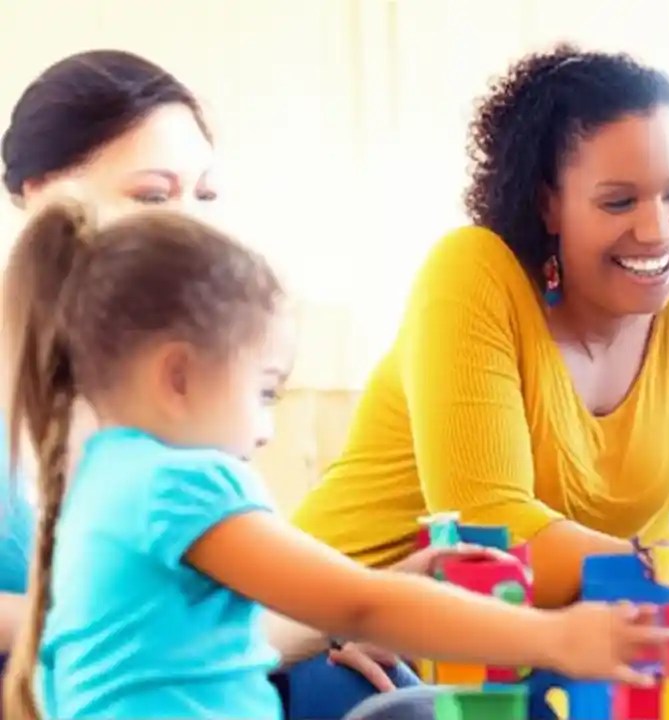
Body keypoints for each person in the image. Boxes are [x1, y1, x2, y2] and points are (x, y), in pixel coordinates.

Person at [290, 43, 669, 718]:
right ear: (547, 205)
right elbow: (491, 527)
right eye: (619, 200)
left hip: (562, 635)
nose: (658, 229)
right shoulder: (472, 273)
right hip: (378, 624)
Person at [0, 200, 669, 719]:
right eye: (263, 391)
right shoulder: (181, 482)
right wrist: (556, 638)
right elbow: (361, 605)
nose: (266, 429)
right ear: (178, 377)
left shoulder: (102, 482)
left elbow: (218, 641)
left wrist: (400, 575)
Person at [0, 49, 432, 718]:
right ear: (42, 196)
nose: (191, 225)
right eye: (152, 194)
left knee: (383, 693)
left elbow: (215, 625)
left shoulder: (184, 398)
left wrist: (347, 612)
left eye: (204, 195)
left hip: (173, 677)